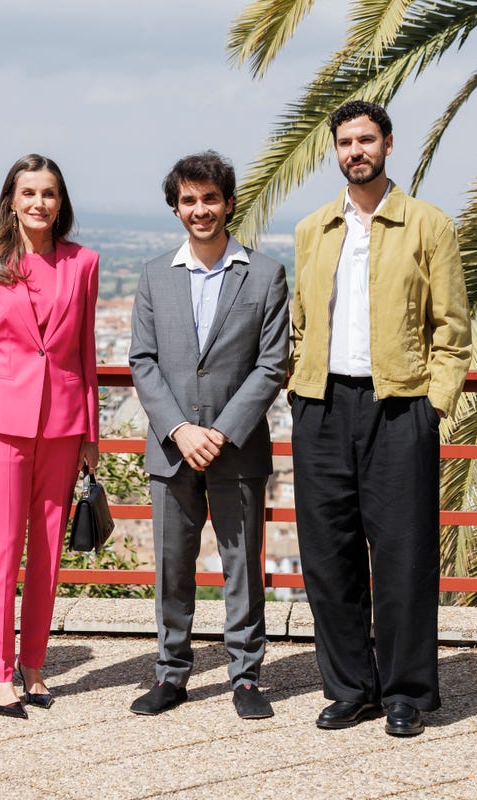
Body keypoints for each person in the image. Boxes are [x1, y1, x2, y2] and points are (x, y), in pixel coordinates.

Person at [290, 101, 471, 737]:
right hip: (320, 408)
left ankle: (406, 692)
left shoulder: (428, 225)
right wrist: (299, 393)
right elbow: (303, 322)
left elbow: (453, 331)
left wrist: (433, 407)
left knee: (402, 554)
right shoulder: (313, 228)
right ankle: (349, 688)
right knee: (328, 557)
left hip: (400, 408)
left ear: (388, 145)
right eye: (344, 142)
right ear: (335, 151)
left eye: (365, 139)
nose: (354, 151)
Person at [128, 151, 289, 719]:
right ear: (176, 208)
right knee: (172, 567)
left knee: (241, 564)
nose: (200, 210)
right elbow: (142, 362)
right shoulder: (153, 275)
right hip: (172, 450)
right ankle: (171, 674)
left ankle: (246, 677)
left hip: (236, 448)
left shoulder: (266, 274)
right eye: (189, 200)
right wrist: (179, 429)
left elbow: (272, 364)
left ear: (228, 203)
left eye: (210, 198)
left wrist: (216, 433)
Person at [0, 154, 100, 718]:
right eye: (29, 192)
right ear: (12, 200)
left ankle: (35, 663)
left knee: (47, 551)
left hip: (65, 423)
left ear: (60, 202)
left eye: (49, 193)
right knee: (2, 548)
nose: (39, 202)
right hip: (4, 426)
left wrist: (92, 429)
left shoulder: (84, 262)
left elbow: (86, 351)